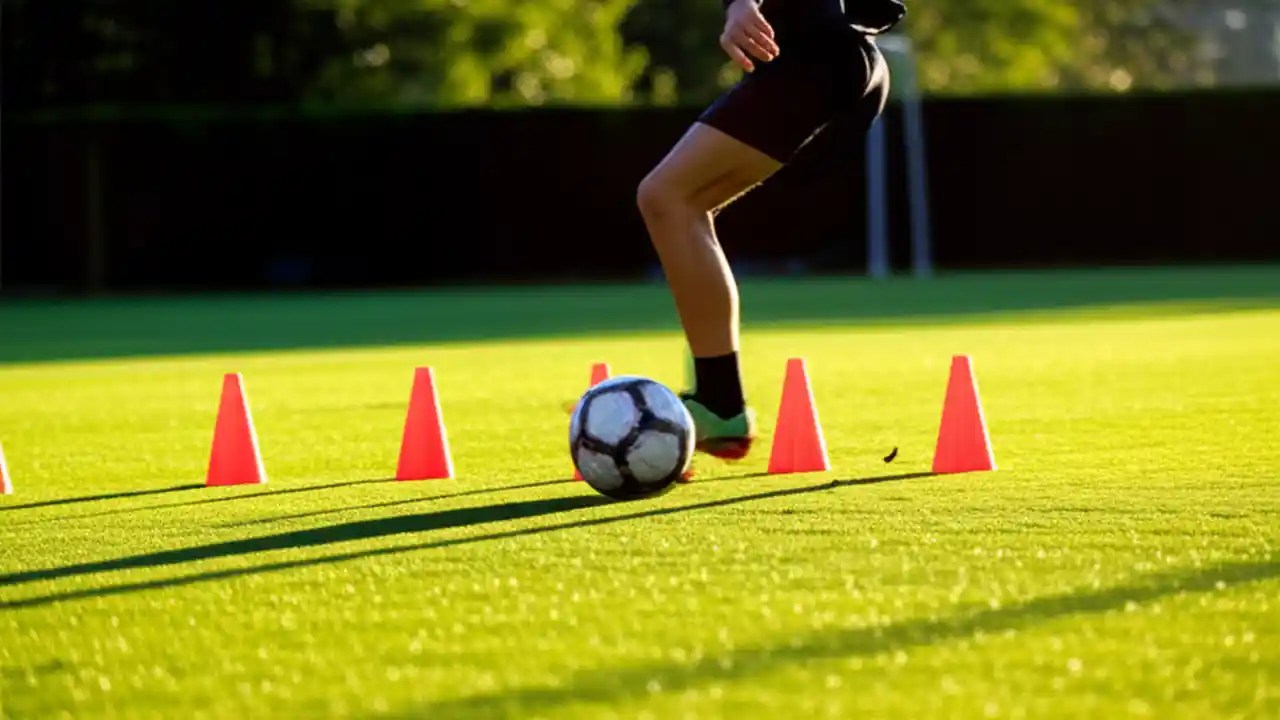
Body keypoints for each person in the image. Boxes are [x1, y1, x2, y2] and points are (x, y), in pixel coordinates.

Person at [638, 0, 905, 461]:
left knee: (668, 197)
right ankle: (717, 403)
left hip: (814, 54)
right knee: (680, 203)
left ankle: (720, 403)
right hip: (835, 56)